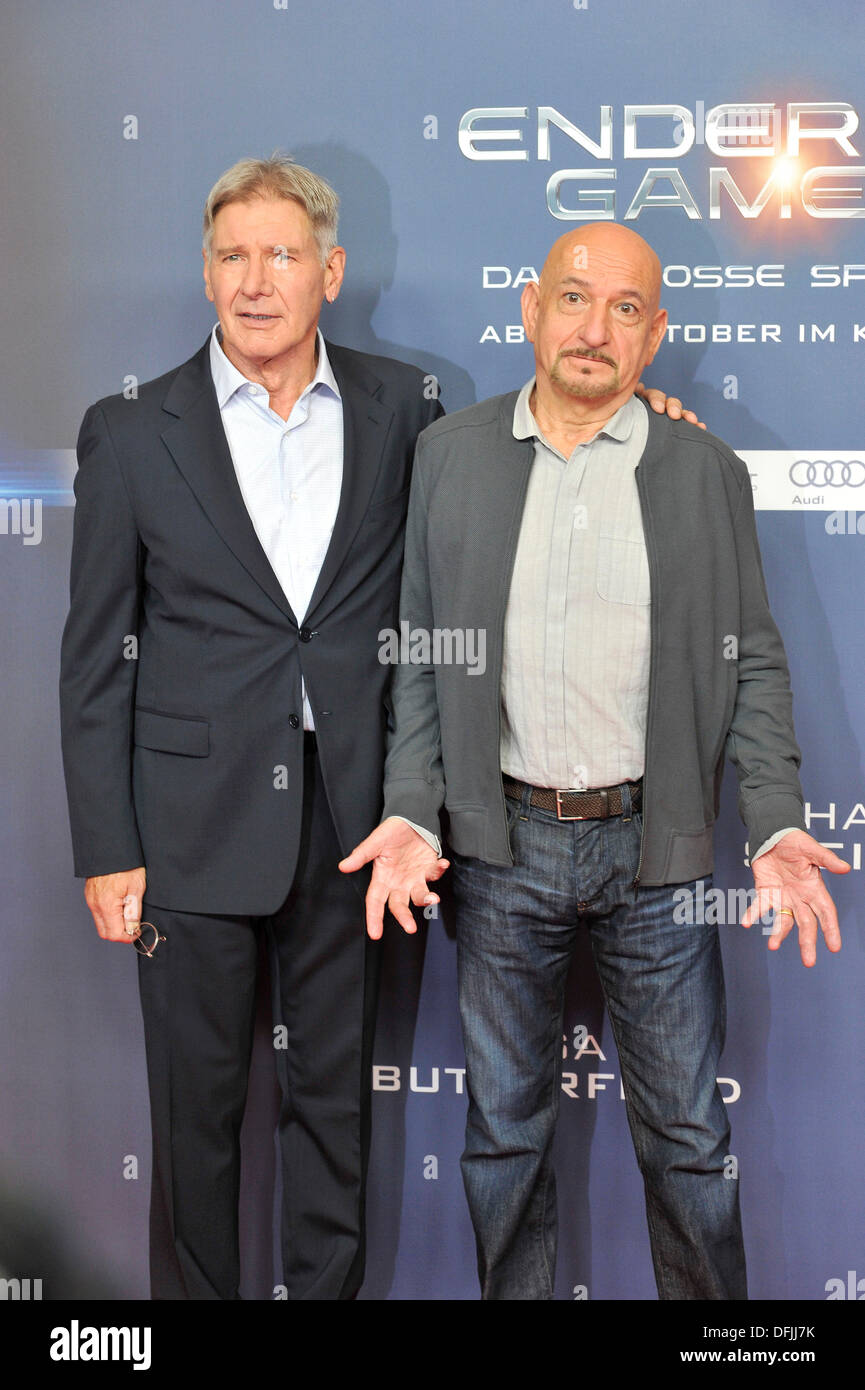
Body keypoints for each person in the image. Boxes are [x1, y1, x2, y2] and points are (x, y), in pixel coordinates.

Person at [59, 155, 698, 1301]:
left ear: (330, 271)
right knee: (195, 1121)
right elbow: (97, 656)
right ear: (206, 275)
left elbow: (546, 432)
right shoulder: (131, 427)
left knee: (335, 1110)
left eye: (283, 255)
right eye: (233, 258)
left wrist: (637, 409)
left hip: (357, 826)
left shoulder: (408, 408)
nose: (257, 282)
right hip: (190, 830)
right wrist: (109, 845)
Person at [342, 222, 849, 1300]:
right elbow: (424, 654)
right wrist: (414, 809)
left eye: (626, 309)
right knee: (502, 1143)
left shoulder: (701, 467)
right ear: (529, 309)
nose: (595, 327)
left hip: (656, 859)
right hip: (497, 853)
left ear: (654, 336)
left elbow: (750, 657)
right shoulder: (450, 456)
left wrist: (771, 815)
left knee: (687, 1144)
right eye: (574, 297)